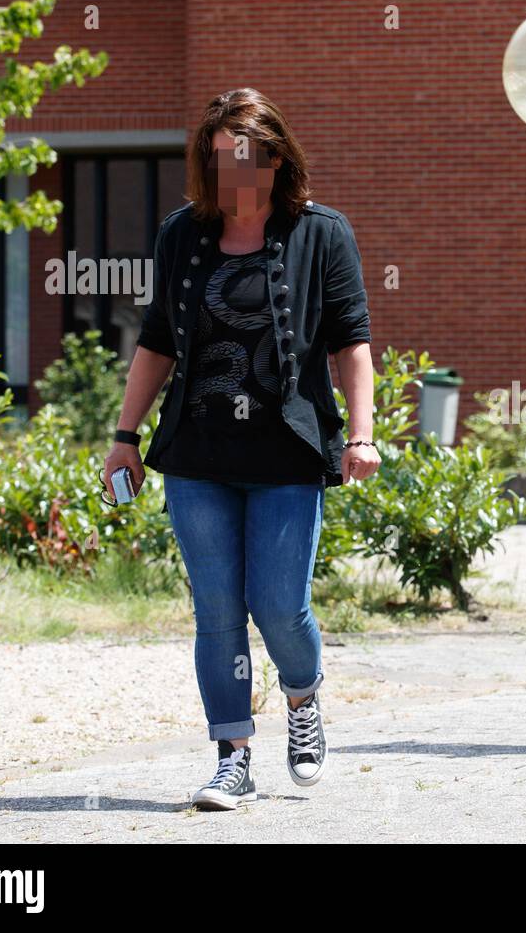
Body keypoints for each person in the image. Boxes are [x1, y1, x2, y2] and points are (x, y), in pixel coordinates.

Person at [103, 88, 380, 809]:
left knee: (279, 606)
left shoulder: (324, 234)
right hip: (198, 451)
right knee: (218, 610)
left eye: (246, 157)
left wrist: (362, 434)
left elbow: (353, 345)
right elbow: (158, 340)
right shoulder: (180, 235)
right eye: (219, 159)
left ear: (276, 156)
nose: (233, 172)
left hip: (286, 452)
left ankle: (302, 695)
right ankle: (231, 756)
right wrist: (124, 436)